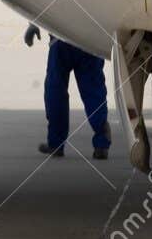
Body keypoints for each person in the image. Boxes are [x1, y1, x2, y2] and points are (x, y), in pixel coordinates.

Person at [25, 25, 112, 160]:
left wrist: (33, 23)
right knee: (93, 92)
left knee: (55, 91)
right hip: (89, 40)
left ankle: (56, 143)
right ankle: (101, 141)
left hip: (62, 36)